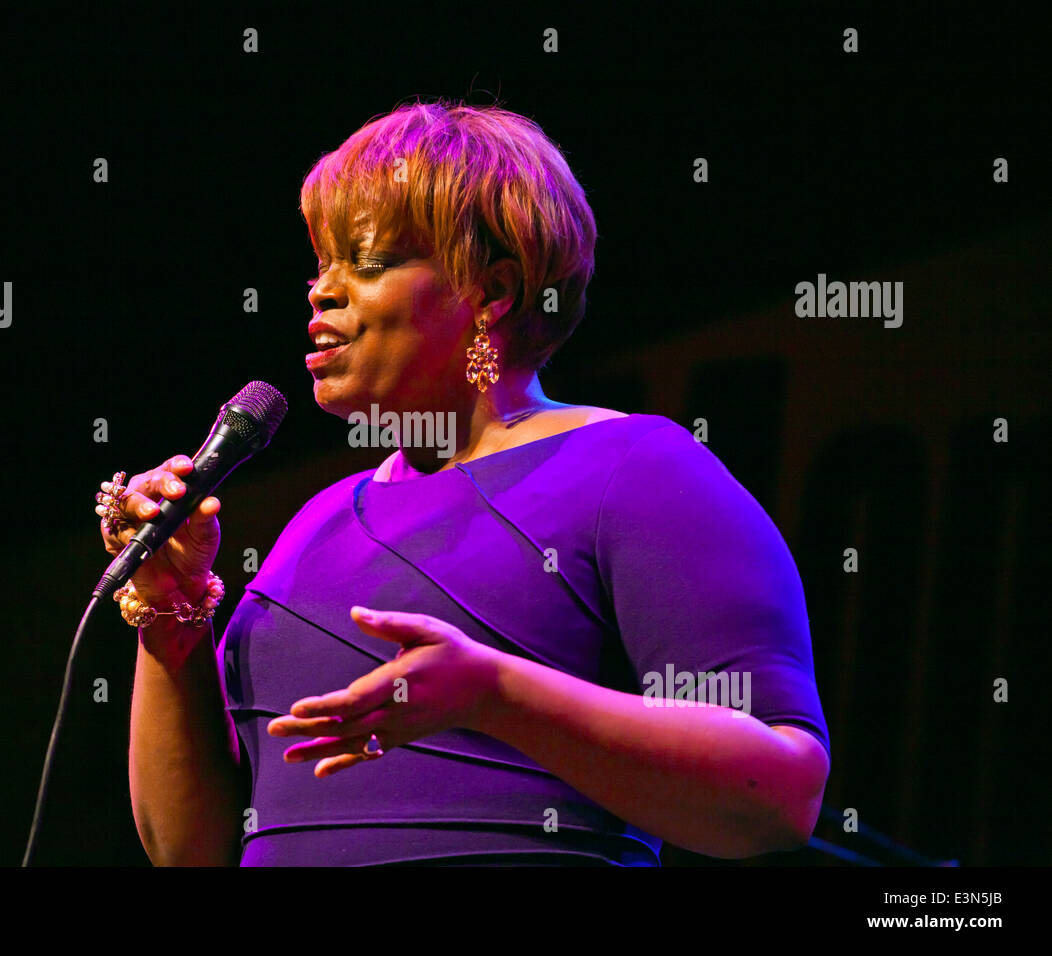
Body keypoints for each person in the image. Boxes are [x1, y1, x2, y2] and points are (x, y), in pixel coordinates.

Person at [98, 98, 830, 866]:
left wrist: (494, 694)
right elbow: (188, 849)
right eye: (322, 264)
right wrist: (171, 617)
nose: (322, 291)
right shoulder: (316, 524)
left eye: (368, 262)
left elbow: (779, 796)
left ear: (492, 292)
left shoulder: (636, 468)